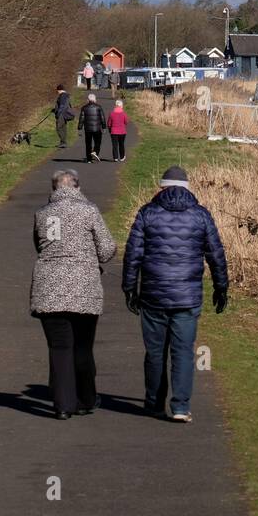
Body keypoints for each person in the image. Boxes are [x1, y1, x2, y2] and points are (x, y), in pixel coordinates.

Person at [122, 166, 229, 423]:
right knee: (183, 353)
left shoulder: (147, 213)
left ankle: (154, 403)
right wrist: (221, 287)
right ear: (187, 187)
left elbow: (132, 254)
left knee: (155, 352)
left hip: (153, 295)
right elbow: (216, 254)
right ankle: (180, 406)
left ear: (162, 187)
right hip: (187, 297)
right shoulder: (201, 216)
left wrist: (129, 288)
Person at [30, 169, 117, 420]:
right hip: (84, 288)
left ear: (54, 188)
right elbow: (107, 248)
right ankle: (86, 398)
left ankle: (63, 405)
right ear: (77, 187)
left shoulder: (42, 214)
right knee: (82, 347)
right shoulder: (89, 211)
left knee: (59, 347)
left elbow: (39, 245)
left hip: (49, 289)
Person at [78, 93, 106, 163]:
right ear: (94, 99)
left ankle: (89, 159)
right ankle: (95, 151)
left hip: (87, 129)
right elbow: (102, 118)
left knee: (88, 144)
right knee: (98, 142)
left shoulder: (84, 108)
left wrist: (79, 128)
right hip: (97, 128)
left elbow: (81, 119)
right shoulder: (99, 107)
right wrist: (104, 127)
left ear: (88, 99)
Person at [52, 84, 74, 149]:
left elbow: (62, 106)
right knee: (63, 128)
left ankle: (63, 142)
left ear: (59, 90)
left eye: (57, 90)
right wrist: (54, 110)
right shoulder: (66, 95)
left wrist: (58, 113)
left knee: (59, 128)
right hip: (64, 114)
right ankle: (63, 142)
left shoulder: (62, 96)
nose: (57, 92)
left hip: (61, 114)